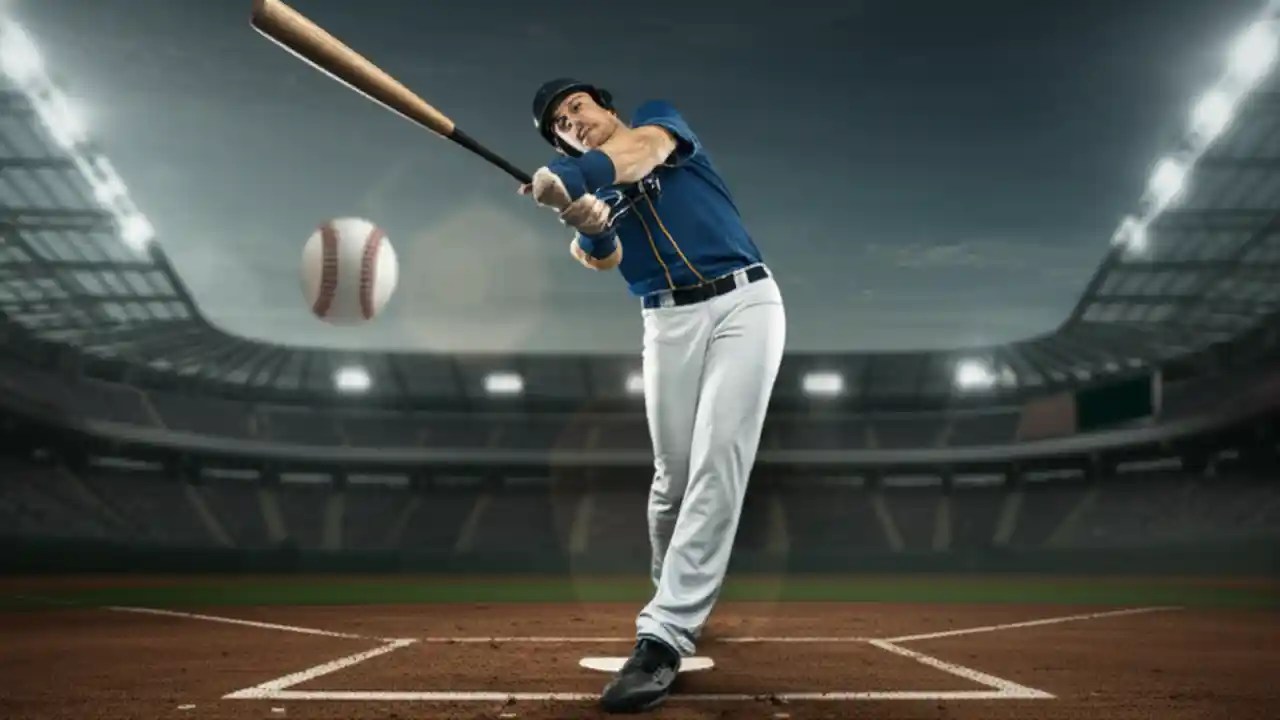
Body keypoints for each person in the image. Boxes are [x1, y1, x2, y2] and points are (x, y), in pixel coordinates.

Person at [519, 78, 787, 713]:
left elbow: (638, 154)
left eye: (577, 106)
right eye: (559, 123)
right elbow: (603, 258)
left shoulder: (655, 123)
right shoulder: (580, 178)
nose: (571, 121)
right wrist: (582, 221)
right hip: (666, 322)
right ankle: (676, 588)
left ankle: (663, 634)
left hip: (743, 301)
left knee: (720, 459)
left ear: (603, 106)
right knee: (673, 478)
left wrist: (575, 180)